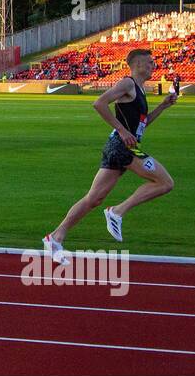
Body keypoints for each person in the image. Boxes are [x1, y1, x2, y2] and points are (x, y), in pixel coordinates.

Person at [43, 49, 178, 262]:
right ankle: (117, 211)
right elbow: (99, 103)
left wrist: (163, 106)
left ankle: (55, 237)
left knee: (93, 198)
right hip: (122, 146)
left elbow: (141, 126)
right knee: (165, 182)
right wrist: (123, 131)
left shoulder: (140, 90)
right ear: (138, 64)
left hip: (120, 146)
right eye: (150, 62)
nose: (154, 66)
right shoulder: (128, 84)